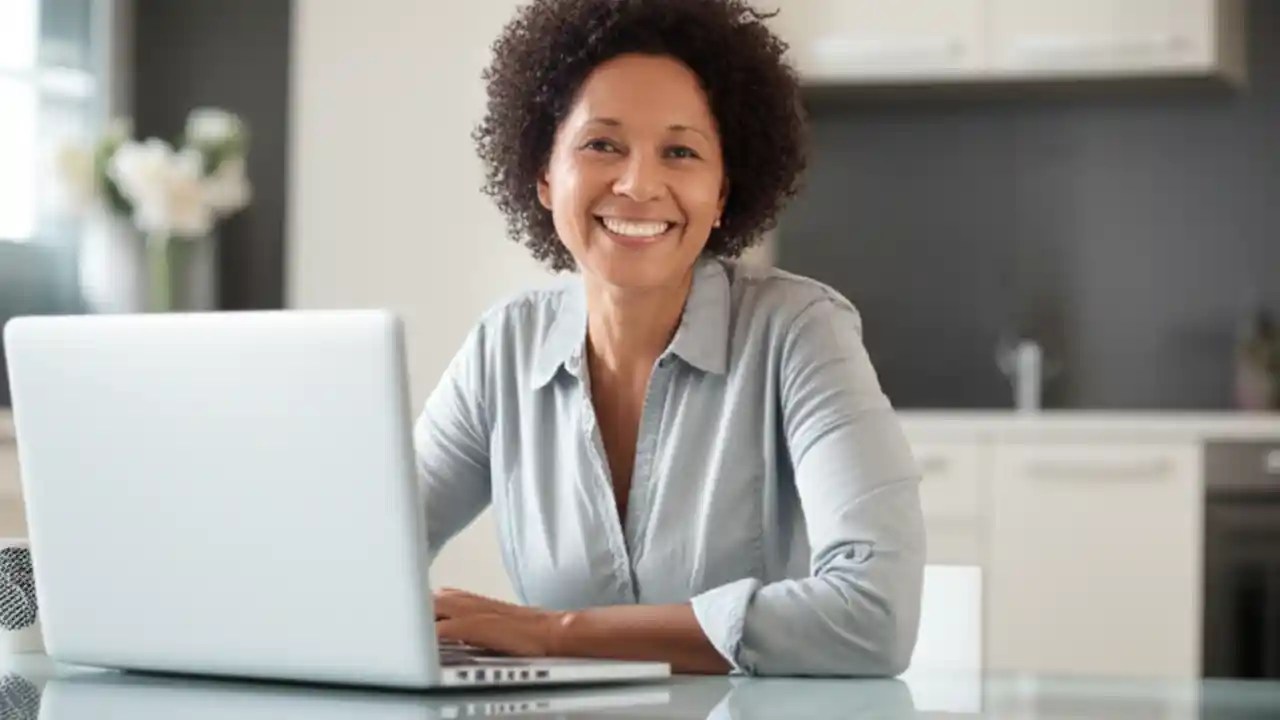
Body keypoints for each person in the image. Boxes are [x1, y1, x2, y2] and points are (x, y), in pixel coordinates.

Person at [420, 0, 925, 677]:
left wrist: (556, 633)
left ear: (722, 193)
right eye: (602, 144)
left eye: (680, 152)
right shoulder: (504, 348)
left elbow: (875, 616)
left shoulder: (801, 334)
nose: (638, 184)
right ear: (544, 174)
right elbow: (366, 552)